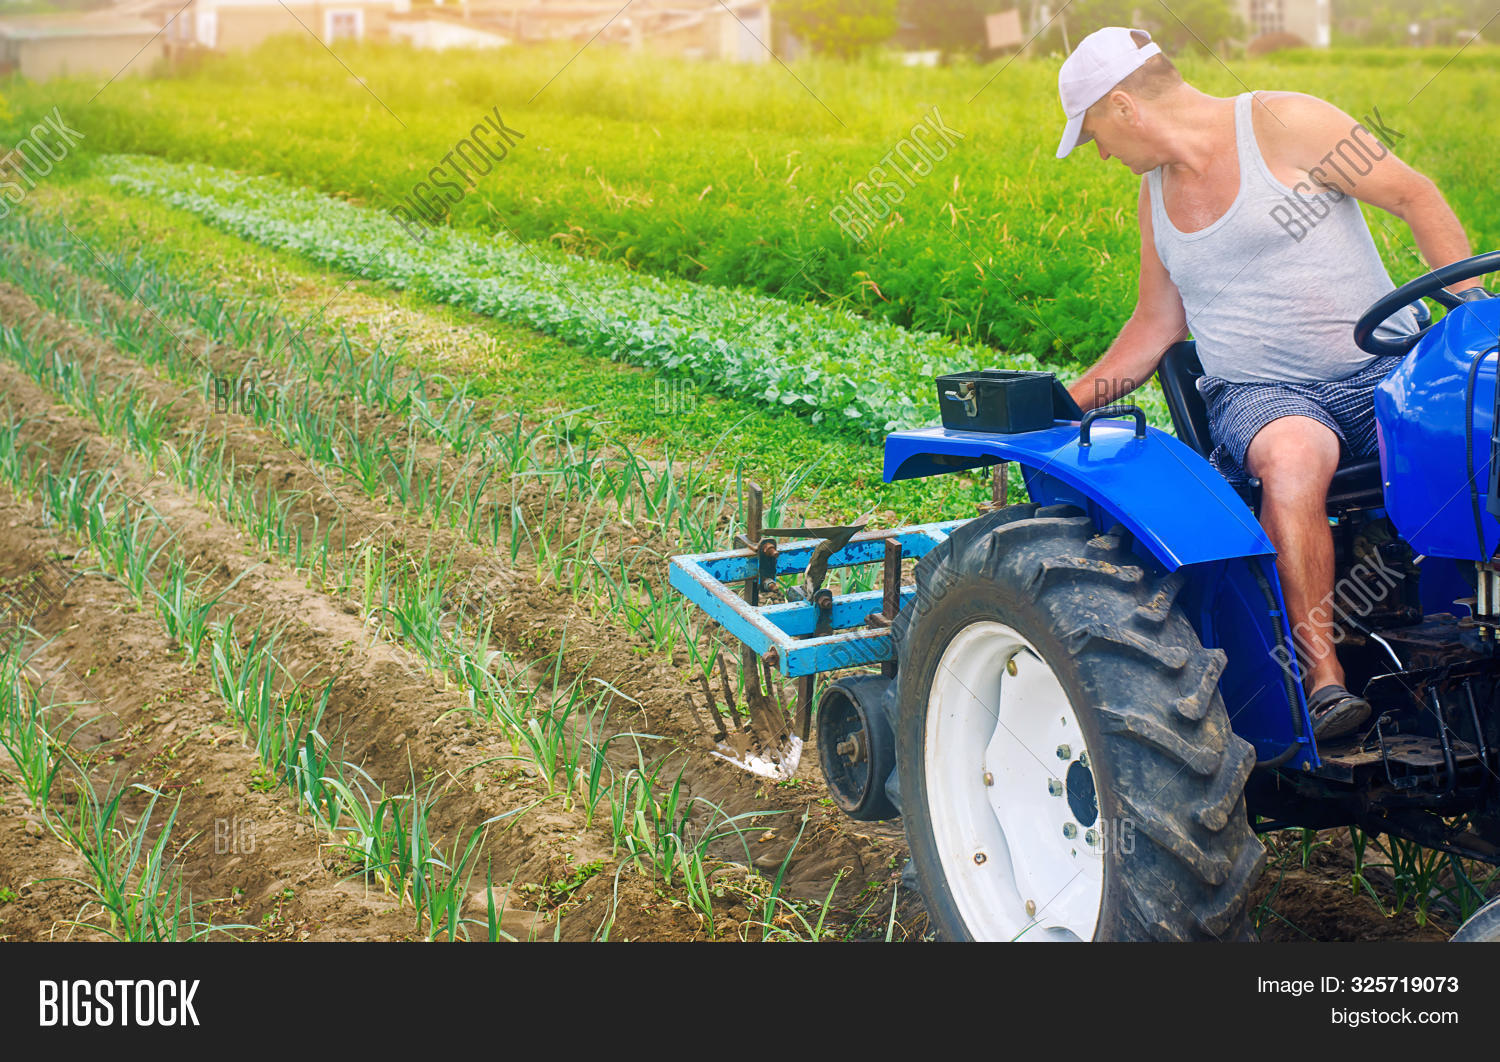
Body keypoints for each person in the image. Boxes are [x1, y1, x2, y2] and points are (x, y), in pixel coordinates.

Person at [1056, 27, 1487, 739]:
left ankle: (1466, 623)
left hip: (1383, 368)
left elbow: (1415, 196)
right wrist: (1057, 406)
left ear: (1125, 107)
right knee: (1293, 456)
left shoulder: (1287, 123)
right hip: (1262, 394)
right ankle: (1324, 683)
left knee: (1476, 425)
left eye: (1094, 132)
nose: (1100, 152)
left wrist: (1472, 314)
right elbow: (1157, 325)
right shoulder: (1154, 196)